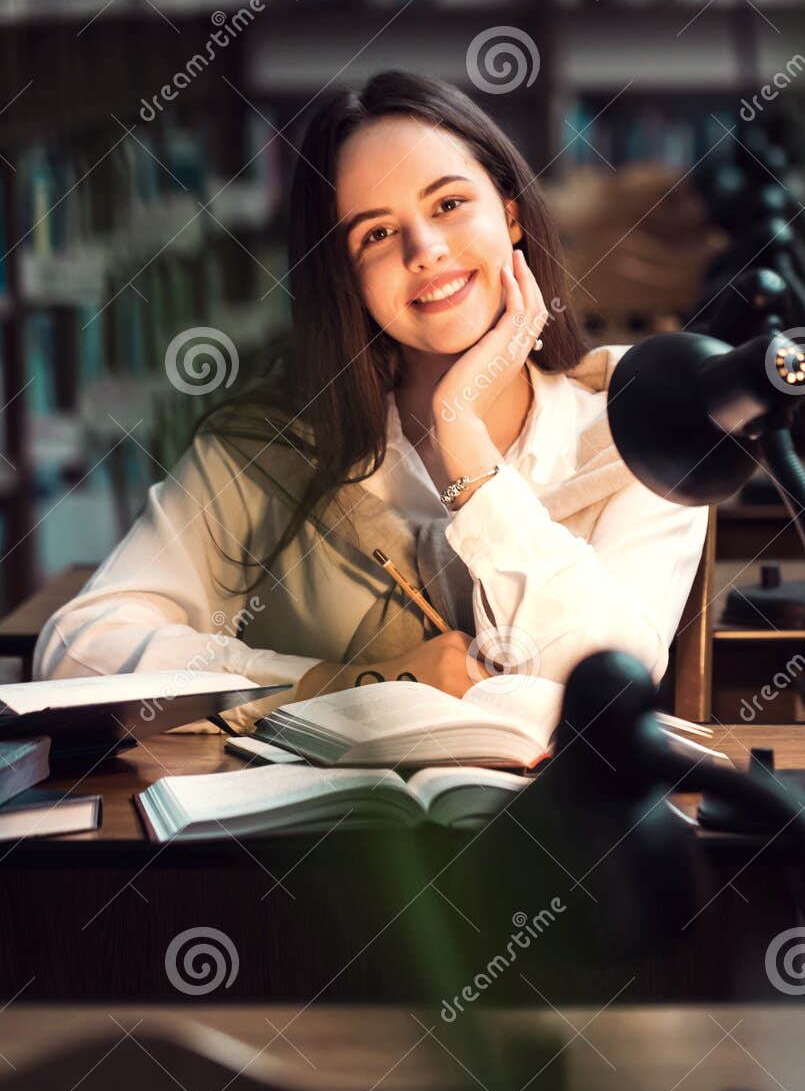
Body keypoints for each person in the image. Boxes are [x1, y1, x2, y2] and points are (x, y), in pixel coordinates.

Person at [35, 72, 710, 730]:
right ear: (345, 277)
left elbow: (603, 684)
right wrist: (340, 687)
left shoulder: (643, 430)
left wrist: (461, 429)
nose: (426, 250)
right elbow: (76, 655)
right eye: (376, 234)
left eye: (449, 205)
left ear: (509, 215)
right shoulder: (271, 446)